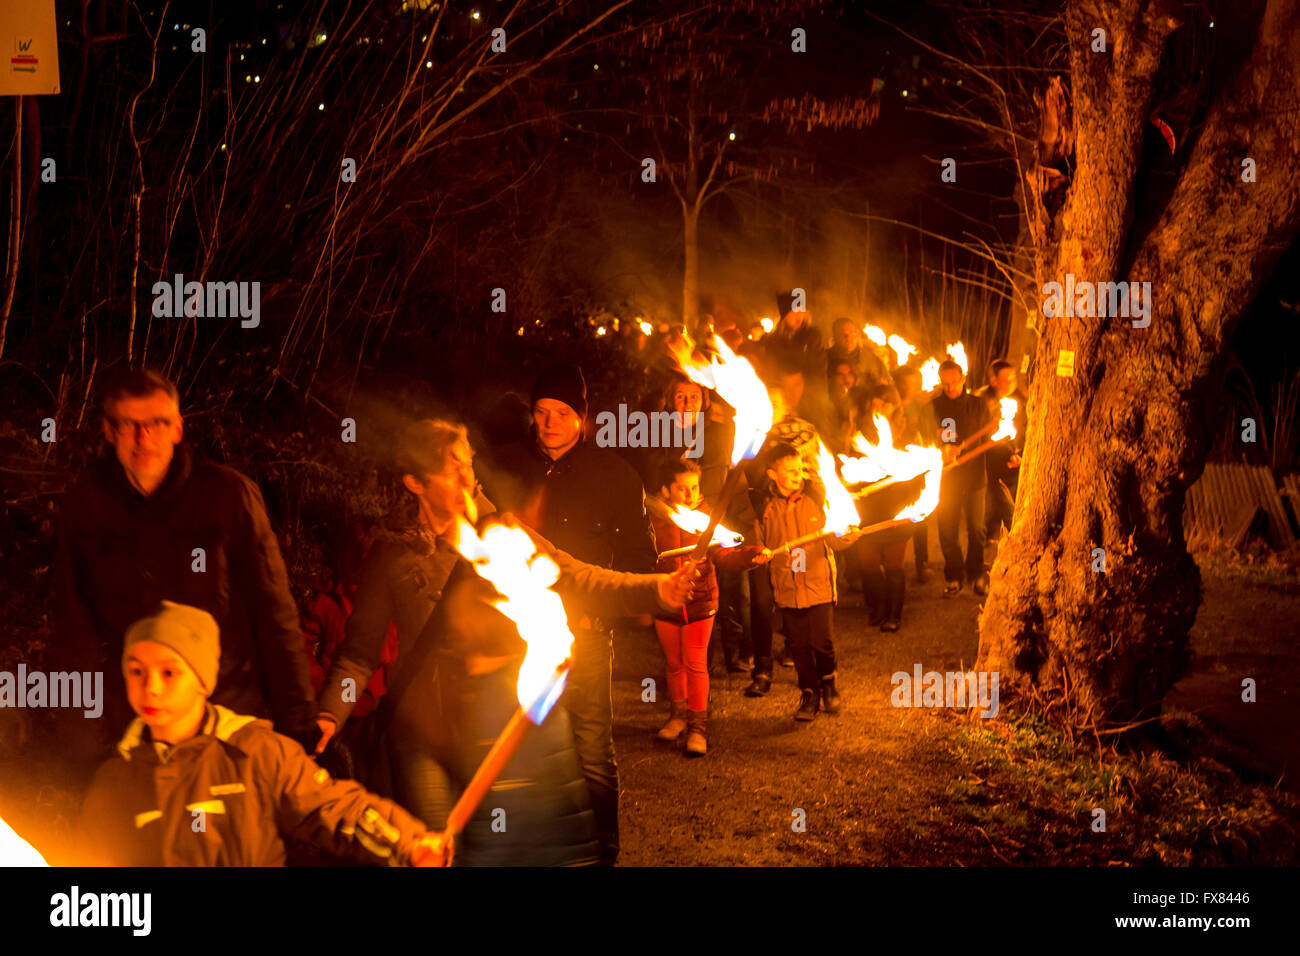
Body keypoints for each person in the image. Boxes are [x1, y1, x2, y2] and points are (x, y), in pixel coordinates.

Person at [317, 418, 697, 865]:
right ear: (415, 482)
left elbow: (577, 577)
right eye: (450, 467)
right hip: (423, 738)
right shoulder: (393, 553)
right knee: (440, 854)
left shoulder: (502, 536)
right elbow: (359, 654)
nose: (466, 476)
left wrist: (656, 589)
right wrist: (327, 717)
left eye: (468, 463)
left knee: (508, 852)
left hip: (498, 730)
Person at [55, 368, 318, 757]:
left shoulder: (228, 496)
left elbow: (274, 613)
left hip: (226, 718)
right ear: (109, 432)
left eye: (156, 423)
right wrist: (81, 733)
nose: (143, 438)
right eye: (129, 425)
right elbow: (73, 624)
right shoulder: (85, 505)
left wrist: (297, 725)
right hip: (132, 724)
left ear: (177, 428)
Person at [74, 601, 452, 867]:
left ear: (203, 680)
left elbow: (331, 807)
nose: (151, 688)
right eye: (137, 671)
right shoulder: (115, 782)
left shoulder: (253, 753)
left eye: (169, 672)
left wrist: (407, 844)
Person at [480, 364, 658, 866]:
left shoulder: (617, 477)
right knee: (522, 741)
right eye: (541, 412)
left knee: (591, 748)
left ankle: (604, 848)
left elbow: (639, 564)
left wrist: (599, 612)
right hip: (514, 634)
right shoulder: (510, 471)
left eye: (561, 413)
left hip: (583, 634)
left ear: (583, 416)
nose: (549, 423)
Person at [646, 459, 759, 756]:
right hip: (666, 601)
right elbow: (646, 558)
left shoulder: (708, 519)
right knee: (674, 663)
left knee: (696, 663)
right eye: (682, 488)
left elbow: (724, 555)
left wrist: (750, 556)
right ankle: (677, 716)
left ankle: (698, 727)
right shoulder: (655, 520)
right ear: (666, 490)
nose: (690, 494)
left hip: (700, 601)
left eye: (694, 488)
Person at [752, 444, 861, 720]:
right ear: (772, 473)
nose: (797, 475)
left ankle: (829, 683)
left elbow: (835, 539)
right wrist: (758, 554)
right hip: (787, 588)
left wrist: (847, 533)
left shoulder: (816, 499)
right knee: (798, 645)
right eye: (789, 470)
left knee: (822, 642)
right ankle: (809, 693)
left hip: (818, 585)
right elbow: (758, 542)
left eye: (800, 469)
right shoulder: (766, 507)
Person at [850, 385, 920, 632]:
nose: (879, 409)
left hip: (896, 505)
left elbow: (919, 471)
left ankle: (894, 613)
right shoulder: (862, 435)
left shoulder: (907, 434)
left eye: (885, 404)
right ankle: (878, 606)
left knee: (893, 563)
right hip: (869, 507)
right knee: (868, 563)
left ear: (895, 405)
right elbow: (851, 467)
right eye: (875, 404)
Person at [931, 360, 994, 597]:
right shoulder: (934, 407)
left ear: (962, 379)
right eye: (945, 383)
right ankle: (954, 575)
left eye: (953, 382)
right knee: (947, 529)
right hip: (946, 479)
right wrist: (940, 447)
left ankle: (976, 573)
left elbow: (991, 434)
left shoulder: (978, 405)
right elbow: (923, 438)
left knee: (977, 528)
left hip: (975, 476)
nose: (949, 388)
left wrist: (1009, 455)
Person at [893, 366, 938, 584]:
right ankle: (894, 564)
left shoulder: (924, 407)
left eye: (913, 382)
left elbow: (932, 431)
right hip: (895, 468)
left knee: (920, 517)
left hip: (918, 468)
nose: (910, 387)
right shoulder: (892, 406)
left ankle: (922, 562)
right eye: (905, 383)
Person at [975, 360, 1028, 543]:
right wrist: (1009, 453)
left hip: (1014, 463)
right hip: (991, 465)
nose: (1012, 382)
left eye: (1013, 377)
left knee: (1006, 504)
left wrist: (1019, 453)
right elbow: (986, 436)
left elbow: (1023, 428)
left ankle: (995, 535)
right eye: (1007, 379)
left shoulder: (1019, 398)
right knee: (1001, 505)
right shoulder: (982, 401)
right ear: (994, 381)